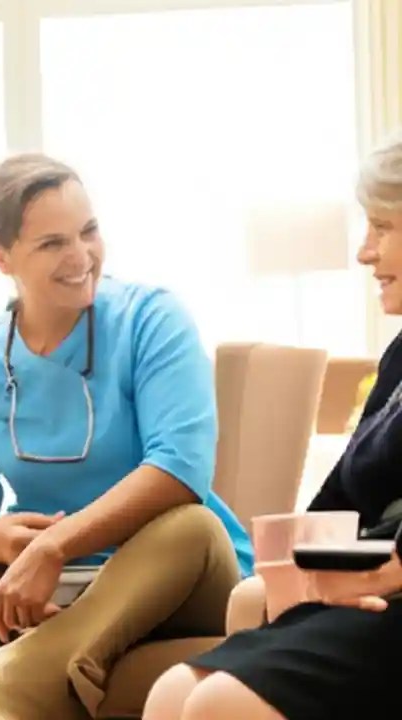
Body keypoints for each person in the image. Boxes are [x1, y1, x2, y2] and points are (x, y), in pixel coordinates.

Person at [0, 153, 254, 719]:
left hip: (186, 577)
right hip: (63, 592)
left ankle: (21, 682)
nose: (82, 257)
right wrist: (2, 543)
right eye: (52, 243)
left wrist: (54, 545)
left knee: (192, 522)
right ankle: (64, 671)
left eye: (89, 231)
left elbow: (181, 470)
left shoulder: (151, 318)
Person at [144, 135, 402, 720]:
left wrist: (388, 567)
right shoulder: (400, 358)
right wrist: (307, 559)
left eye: (382, 227)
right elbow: (340, 497)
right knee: (170, 694)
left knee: (219, 703)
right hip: (368, 594)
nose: (364, 252)